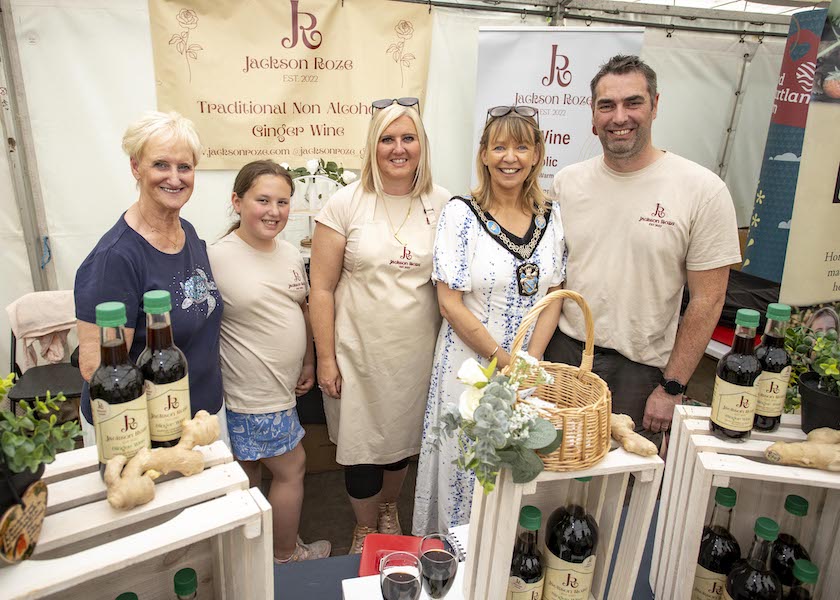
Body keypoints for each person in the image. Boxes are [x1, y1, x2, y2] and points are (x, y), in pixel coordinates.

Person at [546, 55, 741, 440]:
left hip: (641, 374)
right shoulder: (567, 183)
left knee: (628, 471)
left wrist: (672, 386)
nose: (619, 117)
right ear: (593, 113)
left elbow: (709, 299)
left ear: (655, 105)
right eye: (607, 105)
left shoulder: (702, 190)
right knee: (554, 463)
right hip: (565, 358)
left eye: (632, 102)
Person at [412, 105, 567, 536]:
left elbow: (554, 293)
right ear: (483, 154)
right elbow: (449, 303)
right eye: (499, 147)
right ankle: (456, 557)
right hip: (469, 369)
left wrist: (529, 363)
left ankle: (507, 558)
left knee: (517, 470)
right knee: (465, 468)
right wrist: (503, 360)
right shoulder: (461, 214)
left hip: (525, 372)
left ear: (537, 155)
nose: (509, 157)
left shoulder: (551, 215)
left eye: (521, 147)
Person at [309, 98, 450, 553]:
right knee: (361, 448)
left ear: (422, 145)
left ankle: (389, 508)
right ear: (373, 145)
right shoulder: (345, 203)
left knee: (401, 443)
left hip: (416, 354)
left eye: (408, 138)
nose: (398, 148)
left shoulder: (443, 204)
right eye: (388, 139)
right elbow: (321, 288)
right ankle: (365, 526)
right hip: (357, 353)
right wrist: (326, 359)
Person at [74, 111, 225, 443]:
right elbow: (96, 368)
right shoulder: (116, 257)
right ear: (135, 167)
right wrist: (155, 439)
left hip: (201, 415)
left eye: (184, 167)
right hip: (143, 430)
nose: (175, 177)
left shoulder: (187, 232)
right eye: (161, 165)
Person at [207, 160, 330, 563]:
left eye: (282, 201)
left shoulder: (290, 252)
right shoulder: (215, 257)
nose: (274, 211)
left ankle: (254, 557)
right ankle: (283, 556)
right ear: (237, 202)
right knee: (291, 468)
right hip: (252, 392)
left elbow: (301, 309)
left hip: (283, 387)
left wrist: (308, 362)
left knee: (250, 471)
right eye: (263, 200)